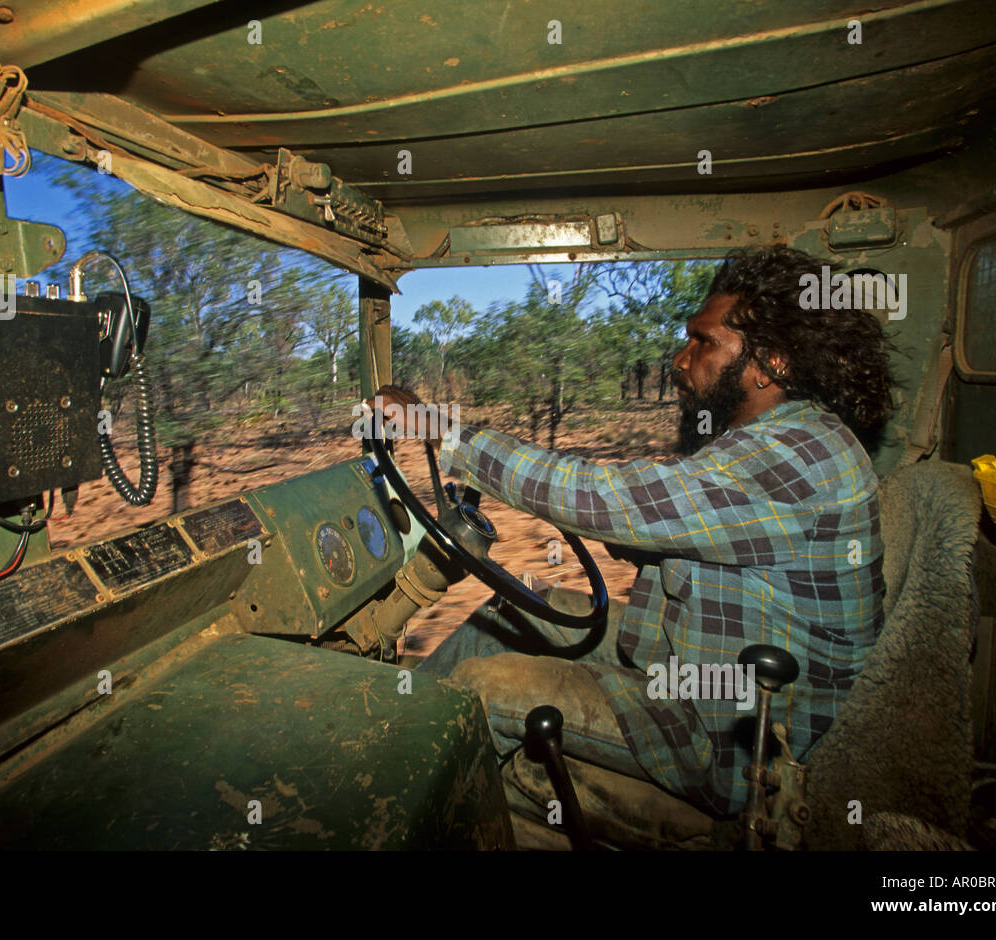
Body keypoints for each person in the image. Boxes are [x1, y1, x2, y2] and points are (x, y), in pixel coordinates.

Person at [375, 245, 895, 817]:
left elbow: (600, 498)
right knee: (503, 611)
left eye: (703, 342)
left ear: (771, 363)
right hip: (697, 670)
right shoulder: (788, 441)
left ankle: (401, 817)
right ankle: (385, 743)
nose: (680, 358)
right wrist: (608, 519)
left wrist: (437, 429)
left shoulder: (793, 458)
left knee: (483, 687)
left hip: (731, 740)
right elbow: (649, 517)